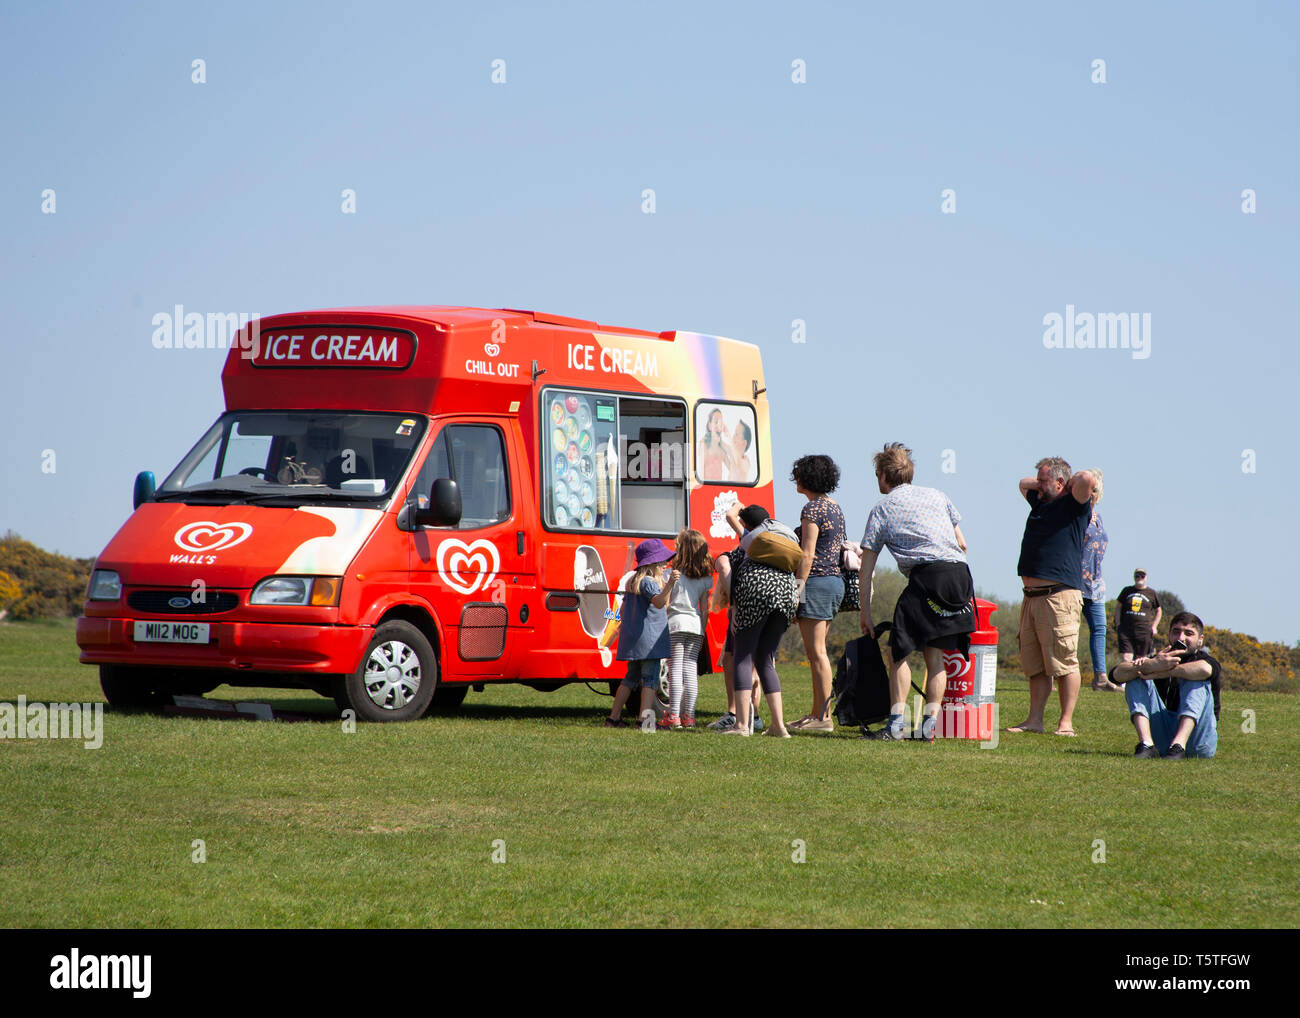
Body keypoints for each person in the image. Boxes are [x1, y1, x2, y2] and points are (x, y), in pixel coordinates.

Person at [856, 443, 974, 742]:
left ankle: (895, 727)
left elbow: (866, 568)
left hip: (928, 577)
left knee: (899, 651)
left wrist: (865, 613)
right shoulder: (938, 495)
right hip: (959, 576)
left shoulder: (882, 509)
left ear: (883, 475)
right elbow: (962, 544)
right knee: (936, 657)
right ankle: (927, 729)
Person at [1006, 456, 1100, 737]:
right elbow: (1022, 484)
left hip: (1059, 596)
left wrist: (1065, 485)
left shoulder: (1074, 505)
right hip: (1032, 596)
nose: (1038, 484)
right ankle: (1034, 720)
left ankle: (1066, 723)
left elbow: (1087, 479)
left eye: (1045, 480)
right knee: (1036, 665)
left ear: (1061, 482)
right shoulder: (1040, 501)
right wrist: (1043, 482)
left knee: (1063, 662)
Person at [720, 502, 797, 737]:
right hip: (787, 590)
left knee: (743, 657)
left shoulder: (748, 540)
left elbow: (724, 567)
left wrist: (734, 606)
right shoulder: (779, 535)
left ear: (746, 524)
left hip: (756, 589)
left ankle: (742, 725)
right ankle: (779, 726)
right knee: (765, 659)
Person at [788, 454, 846, 733]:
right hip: (834, 583)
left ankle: (823, 718)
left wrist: (797, 588)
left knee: (817, 653)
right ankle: (816, 714)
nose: (795, 479)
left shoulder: (812, 510)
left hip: (817, 583)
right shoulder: (834, 507)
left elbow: (807, 553)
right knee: (817, 653)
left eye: (798, 474)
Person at [1109, 612, 1219, 758]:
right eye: (1176, 632)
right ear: (1169, 635)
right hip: (1164, 737)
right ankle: (1146, 744)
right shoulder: (1159, 660)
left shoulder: (1206, 660)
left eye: (1189, 633)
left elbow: (1205, 669)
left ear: (1200, 640)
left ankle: (1179, 745)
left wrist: (1164, 672)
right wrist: (1151, 665)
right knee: (1136, 674)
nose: (1181, 638)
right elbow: (1116, 675)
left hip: (1198, 742)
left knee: (1195, 678)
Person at [707, 505, 767, 732]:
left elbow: (730, 514)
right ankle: (754, 715)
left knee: (741, 662)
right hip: (759, 607)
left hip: (743, 608)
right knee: (741, 661)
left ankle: (737, 714)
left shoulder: (750, 539)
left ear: (746, 524)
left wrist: (739, 506)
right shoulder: (767, 541)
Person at [603, 539, 674, 728]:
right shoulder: (649, 582)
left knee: (630, 679)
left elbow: (624, 609)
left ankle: (613, 717)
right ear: (651, 564)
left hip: (635, 640)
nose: (664, 564)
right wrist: (671, 584)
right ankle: (645, 721)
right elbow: (659, 603)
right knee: (650, 681)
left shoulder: (633, 581)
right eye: (661, 562)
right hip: (649, 643)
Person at [659, 528, 714, 729]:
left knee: (675, 669)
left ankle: (672, 715)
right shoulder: (705, 578)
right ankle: (688, 716)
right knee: (690, 669)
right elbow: (705, 609)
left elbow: (665, 603)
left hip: (675, 624)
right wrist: (703, 631)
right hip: (695, 625)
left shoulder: (670, 574)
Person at [1081, 472, 1119, 691]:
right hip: (1073, 582)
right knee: (1063, 632)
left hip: (1095, 584)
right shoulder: (1073, 516)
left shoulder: (1099, 517)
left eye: (1095, 489)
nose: (1091, 493)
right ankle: (1054, 678)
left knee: (1099, 629)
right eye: (1088, 488)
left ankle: (1101, 679)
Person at [1115, 568, 1162, 662]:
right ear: (1134, 577)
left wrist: (1154, 626)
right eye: (1137, 575)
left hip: (1144, 631)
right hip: (1126, 630)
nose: (1139, 577)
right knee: (1126, 658)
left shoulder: (1151, 593)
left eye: (1142, 576)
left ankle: (1138, 677)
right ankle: (1127, 676)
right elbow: (1118, 607)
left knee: (1141, 660)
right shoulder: (1127, 590)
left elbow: (1159, 611)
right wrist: (1118, 623)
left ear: (1146, 577)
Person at [698, 409, 727, 482]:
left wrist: (728, 436)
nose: (718, 425)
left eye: (720, 423)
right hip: (706, 489)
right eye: (716, 422)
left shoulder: (722, 447)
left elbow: (733, 467)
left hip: (719, 490)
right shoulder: (703, 444)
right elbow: (700, 472)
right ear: (709, 425)